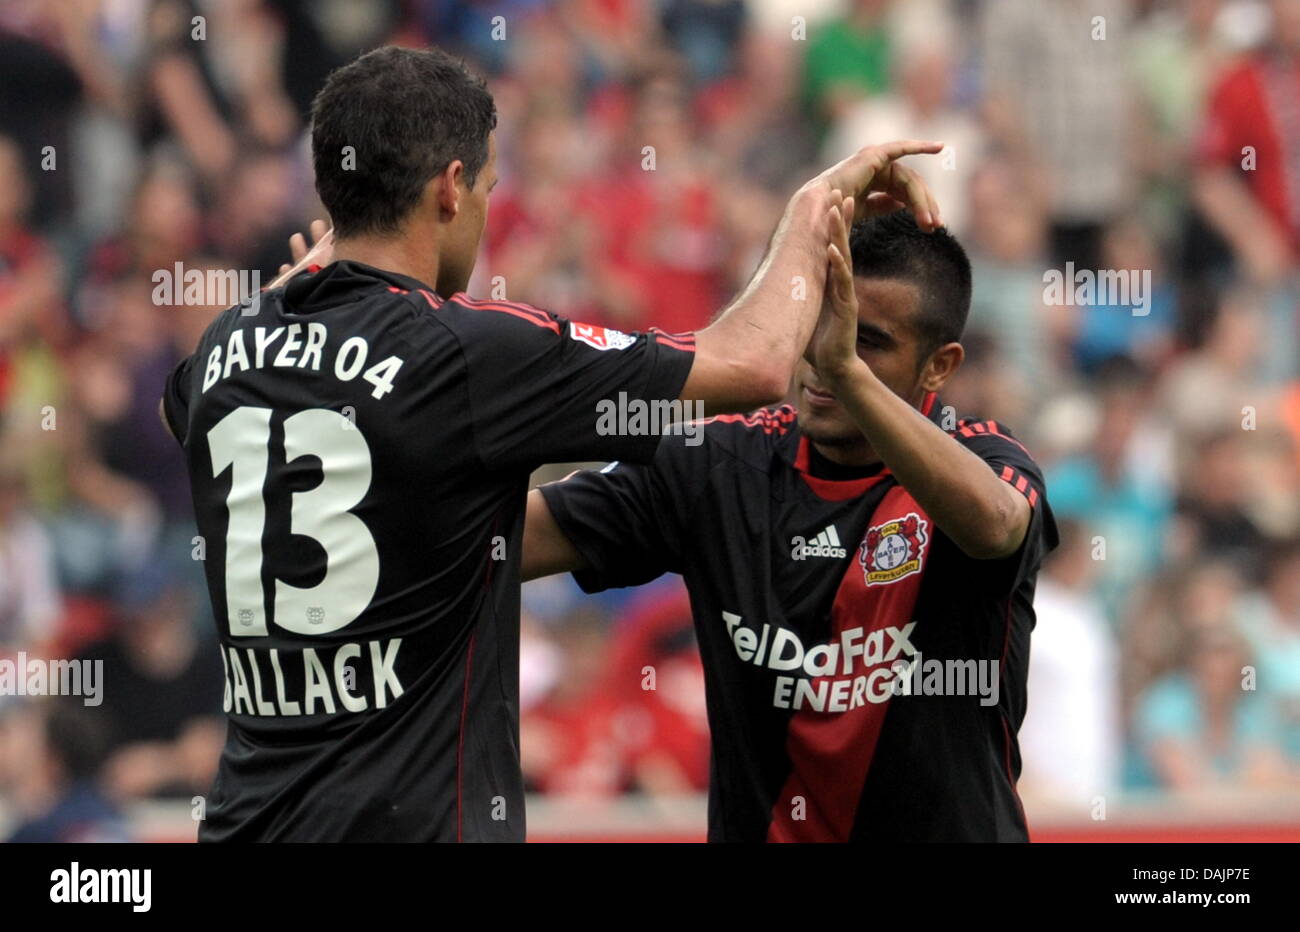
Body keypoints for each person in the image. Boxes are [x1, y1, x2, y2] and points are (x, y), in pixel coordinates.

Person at [160, 43, 945, 841]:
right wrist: (813, 209)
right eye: (490, 188)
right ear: (451, 187)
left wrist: (287, 298)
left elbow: (184, 411)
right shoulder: (467, 352)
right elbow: (755, 364)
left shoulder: (226, 348)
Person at [524, 206, 1059, 842]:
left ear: (939, 365)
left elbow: (997, 527)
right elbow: (511, 540)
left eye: (868, 342)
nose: (826, 360)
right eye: (822, 328)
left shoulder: (983, 461)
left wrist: (847, 375)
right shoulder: (714, 465)